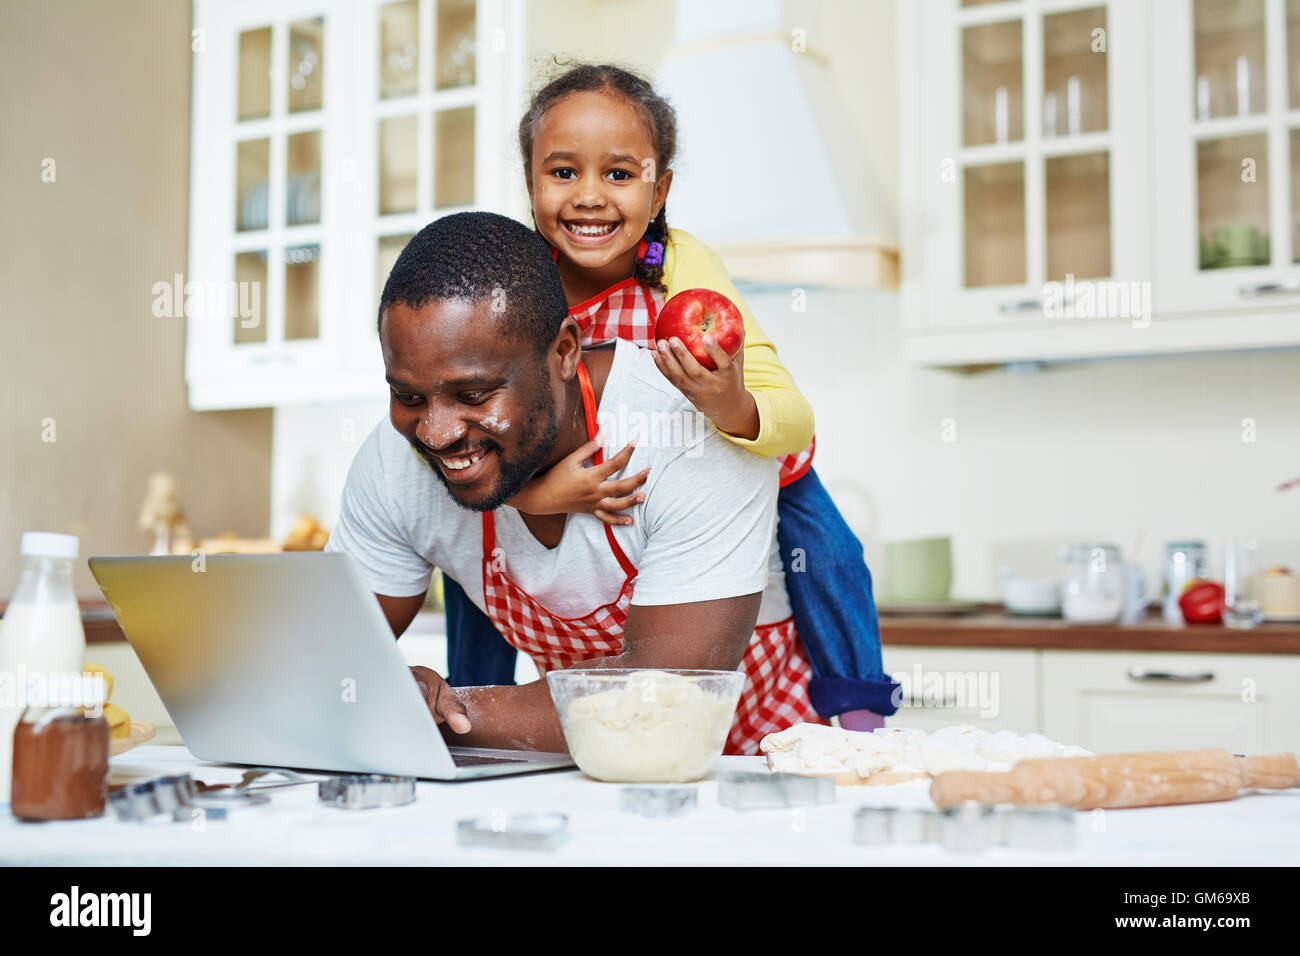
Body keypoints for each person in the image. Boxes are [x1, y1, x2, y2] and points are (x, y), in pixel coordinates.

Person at [440, 63, 898, 727]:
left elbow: (793, 416)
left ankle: (860, 711)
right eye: (563, 172)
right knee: (474, 559)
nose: (589, 196)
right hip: (611, 486)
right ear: (531, 182)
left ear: (659, 192)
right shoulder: (515, 285)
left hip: (746, 463)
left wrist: (730, 402)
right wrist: (535, 495)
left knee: (832, 553)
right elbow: (458, 426)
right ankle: (466, 716)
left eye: (619, 174)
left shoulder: (681, 266)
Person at [326, 211, 818, 754]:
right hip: (579, 770)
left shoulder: (688, 435)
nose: (436, 433)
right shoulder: (396, 461)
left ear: (564, 352)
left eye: (473, 395)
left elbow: (667, 702)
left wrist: (435, 714)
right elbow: (321, 661)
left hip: (752, 767)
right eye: (408, 397)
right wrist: (389, 693)